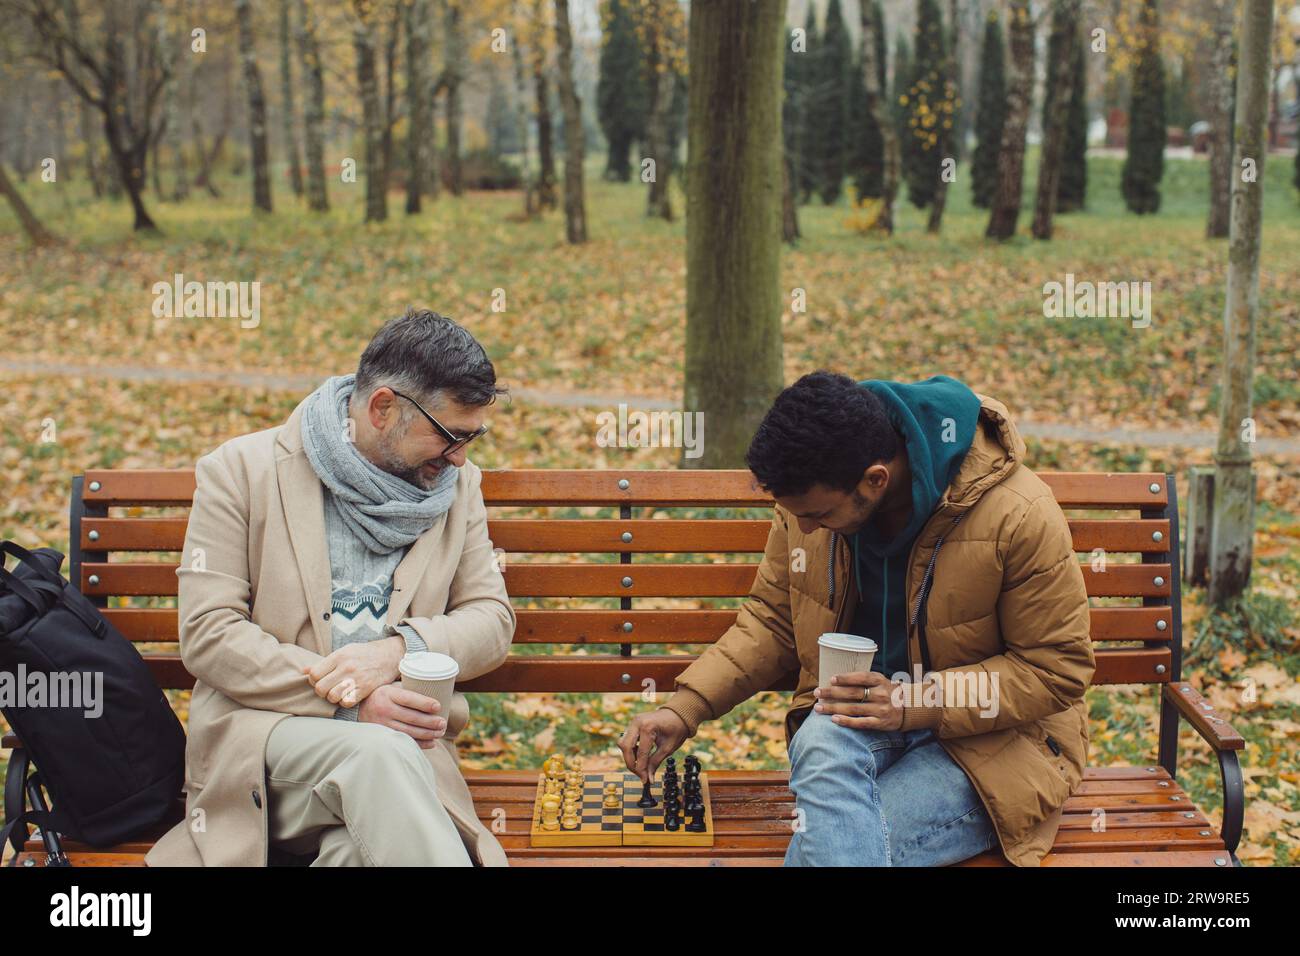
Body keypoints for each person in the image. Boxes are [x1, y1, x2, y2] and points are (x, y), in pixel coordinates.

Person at [618, 372, 1094, 866]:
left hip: (994, 744)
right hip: (860, 720)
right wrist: (684, 709)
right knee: (821, 746)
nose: (803, 527)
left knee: (829, 849)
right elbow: (772, 620)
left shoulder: (1018, 513)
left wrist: (914, 701)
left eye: (818, 515)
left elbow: (1054, 669)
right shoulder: (813, 492)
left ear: (875, 480)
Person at [147, 309, 515, 866]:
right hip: (265, 747)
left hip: (405, 761)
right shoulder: (240, 471)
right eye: (450, 436)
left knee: (355, 852)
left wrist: (398, 651)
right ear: (383, 407)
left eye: (473, 437)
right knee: (379, 757)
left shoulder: (458, 487)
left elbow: (491, 619)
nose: (461, 457)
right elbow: (209, 634)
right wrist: (353, 703)